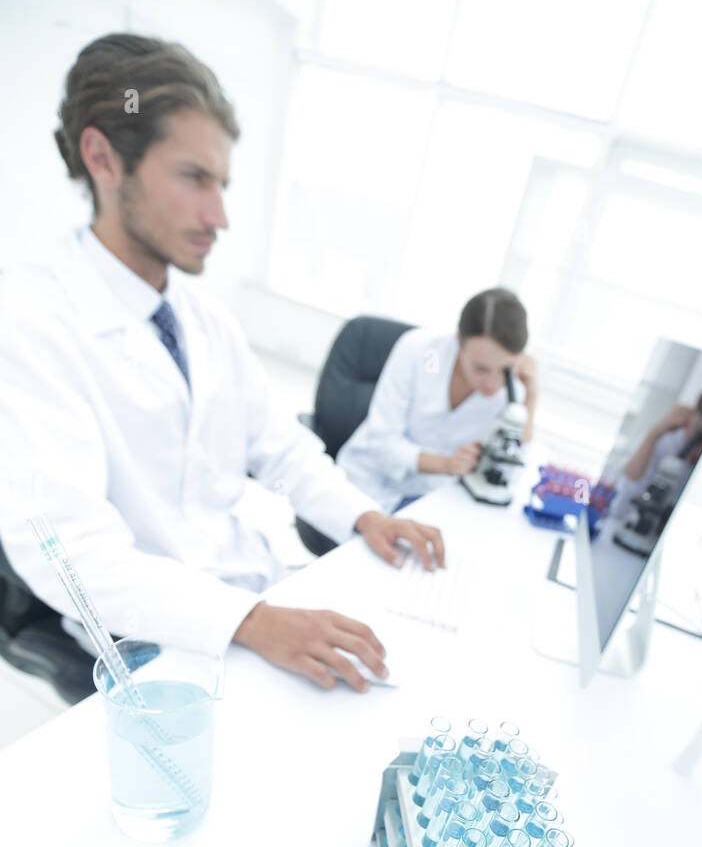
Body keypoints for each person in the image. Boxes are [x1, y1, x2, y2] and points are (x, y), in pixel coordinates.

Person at [0, 34, 445, 695]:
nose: (221, 215)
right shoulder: (31, 321)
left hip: (252, 592)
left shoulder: (201, 317)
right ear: (103, 158)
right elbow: (70, 554)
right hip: (151, 640)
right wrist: (251, 621)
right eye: (193, 177)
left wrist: (361, 516)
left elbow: (281, 449)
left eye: (223, 183)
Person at [336, 288, 538, 513]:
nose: (493, 382)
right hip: (365, 484)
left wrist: (531, 396)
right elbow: (382, 442)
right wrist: (446, 464)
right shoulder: (422, 352)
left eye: (505, 369)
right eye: (481, 368)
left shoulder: (513, 390)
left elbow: (512, 470)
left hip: (431, 498)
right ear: (460, 341)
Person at [607, 371, 702, 520]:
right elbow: (627, 489)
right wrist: (653, 435)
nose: (698, 445)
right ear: (693, 411)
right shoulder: (666, 438)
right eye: (700, 434)